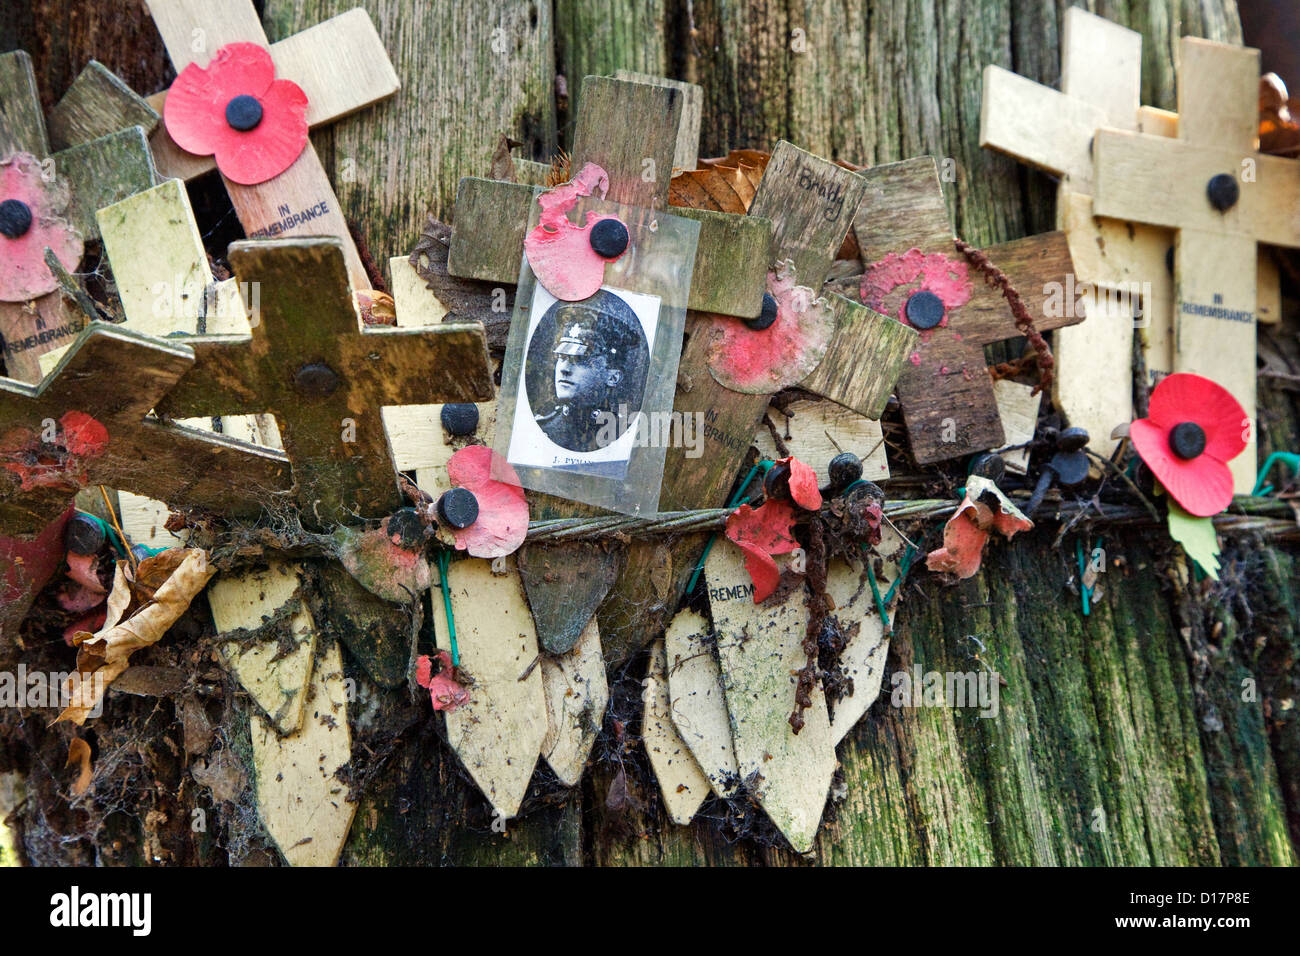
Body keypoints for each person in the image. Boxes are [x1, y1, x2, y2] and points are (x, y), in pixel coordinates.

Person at [534, 302, 643, 452]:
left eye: (580, 360)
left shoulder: (623, 437)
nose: (564, 369)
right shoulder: (542, 428)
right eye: (561, 356)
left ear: (613, 377)